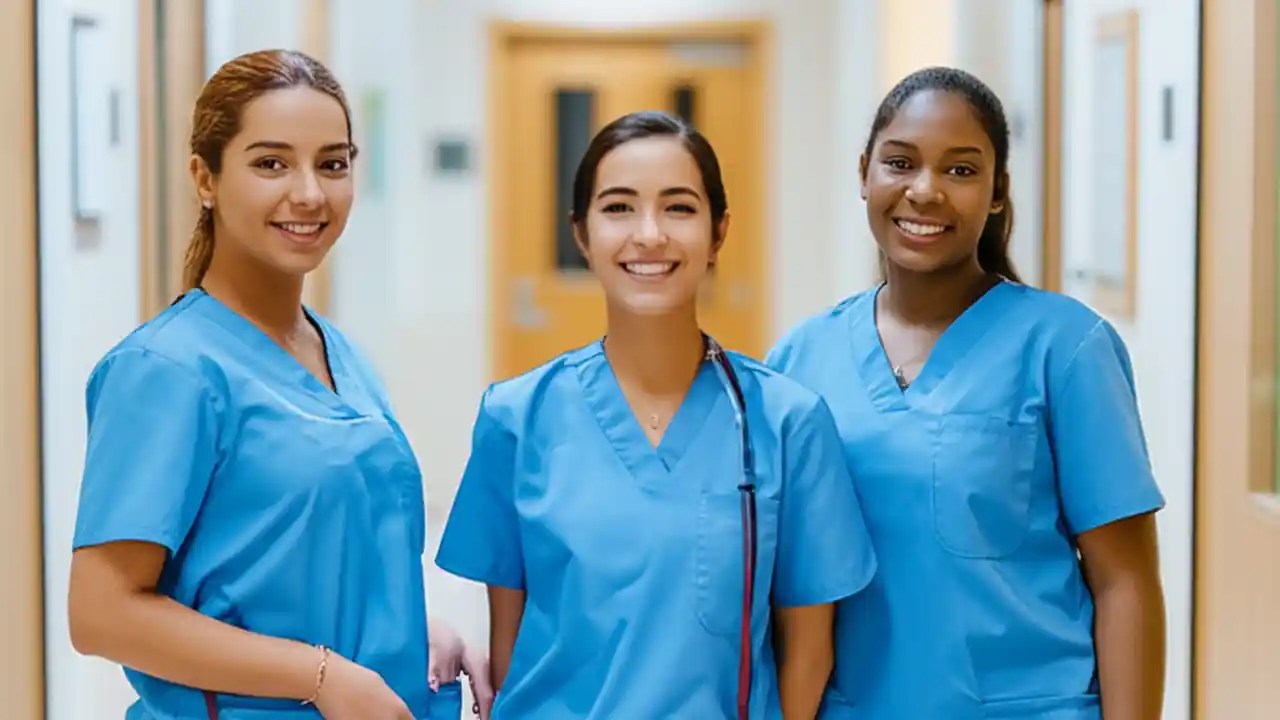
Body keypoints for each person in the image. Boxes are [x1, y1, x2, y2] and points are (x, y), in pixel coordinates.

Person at [67, 49, 492, 720]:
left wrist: (406, 634)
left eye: (333, 163)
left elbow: (331, 550)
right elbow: (102, 614)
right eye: (271, 163)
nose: (310, 193)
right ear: (204, 178)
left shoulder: (338, 353)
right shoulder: (166, 370)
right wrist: (321, 676)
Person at [434, 110, 877, 719]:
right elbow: (511, 648)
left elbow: (809, 651)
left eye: (678, 207)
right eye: (618, 208)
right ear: (581, 234)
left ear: (719, 232)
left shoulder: (784, 422)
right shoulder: (516, 417)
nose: (649, 234)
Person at [766, 66, 1167, 720]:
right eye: (900, 163)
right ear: (864, 173)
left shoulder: (1064, 348)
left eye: (960, 170)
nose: (924, 191)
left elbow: (1125, 582)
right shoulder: (801, 359)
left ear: (998, 192)